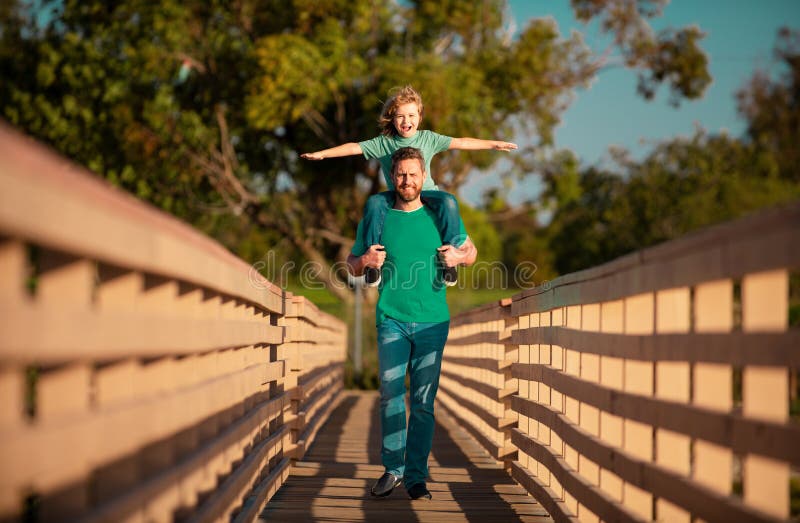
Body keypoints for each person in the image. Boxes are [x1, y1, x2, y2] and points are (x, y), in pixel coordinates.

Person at [347, 147, 478, 500]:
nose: (407, 181)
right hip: (392, 318)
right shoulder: (379, 215)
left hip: (433, 322)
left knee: (422, 402)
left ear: (424, 177)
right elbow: (350, 264)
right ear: (393, 176)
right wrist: (365, 260)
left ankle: (417, 476)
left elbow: (472, 252)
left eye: (413, 174)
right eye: (400, 174)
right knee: (391, 394)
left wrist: (459, 257)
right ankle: (393, 469)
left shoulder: (439, 213)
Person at [303, 85, 514, 287]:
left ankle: (448, 260)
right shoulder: (384, 143)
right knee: (374, 203)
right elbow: (354, 147)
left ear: (419, 117)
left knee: (449, 201)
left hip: (427, 192)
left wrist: (493, 144)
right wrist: (323, 154)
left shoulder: (428, 138)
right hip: (398, 193)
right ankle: (373, 265)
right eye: (401, 116)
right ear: (392, 118)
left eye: (412, 116)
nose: (406, 121)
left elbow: (461, 142)